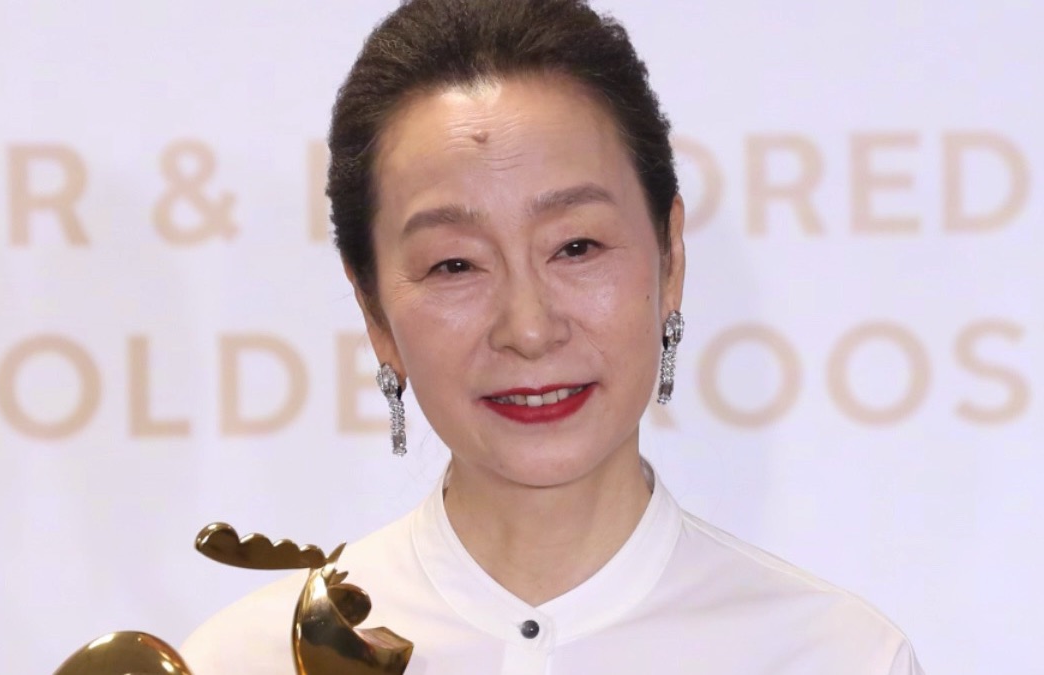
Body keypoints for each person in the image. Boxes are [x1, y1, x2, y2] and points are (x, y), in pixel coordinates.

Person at [181, 1, 924, 672]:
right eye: (454, 264)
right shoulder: (247, 659)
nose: (529, 329)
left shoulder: (837, 656)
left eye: (576, 247)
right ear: (374, 310)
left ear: (670, 259)